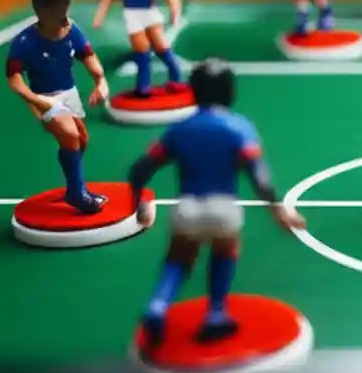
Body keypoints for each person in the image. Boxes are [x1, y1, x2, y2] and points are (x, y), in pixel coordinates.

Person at [128, 58, 307, 351]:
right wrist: (278, 210)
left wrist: (138, 203)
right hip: (224, 209)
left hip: (188, 208)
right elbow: (259, 176)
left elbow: (140, 170)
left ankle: (157, 306)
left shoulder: (179, 129)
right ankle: (215, 313)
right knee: (226, 251)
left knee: (178, 260)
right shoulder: (239, 128)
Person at [6, 0, 110, 214]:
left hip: (69, 93)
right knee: (70, 136)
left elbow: (88, 56)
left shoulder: (71, 30)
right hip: (45, 97)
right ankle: (77, 195)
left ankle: (75, 188)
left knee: (81, 140)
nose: (64, 18)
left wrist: (100, 81)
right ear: (42, 12)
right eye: (59, 13)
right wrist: (34, 100)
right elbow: (14, 79)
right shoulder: (25, 42)